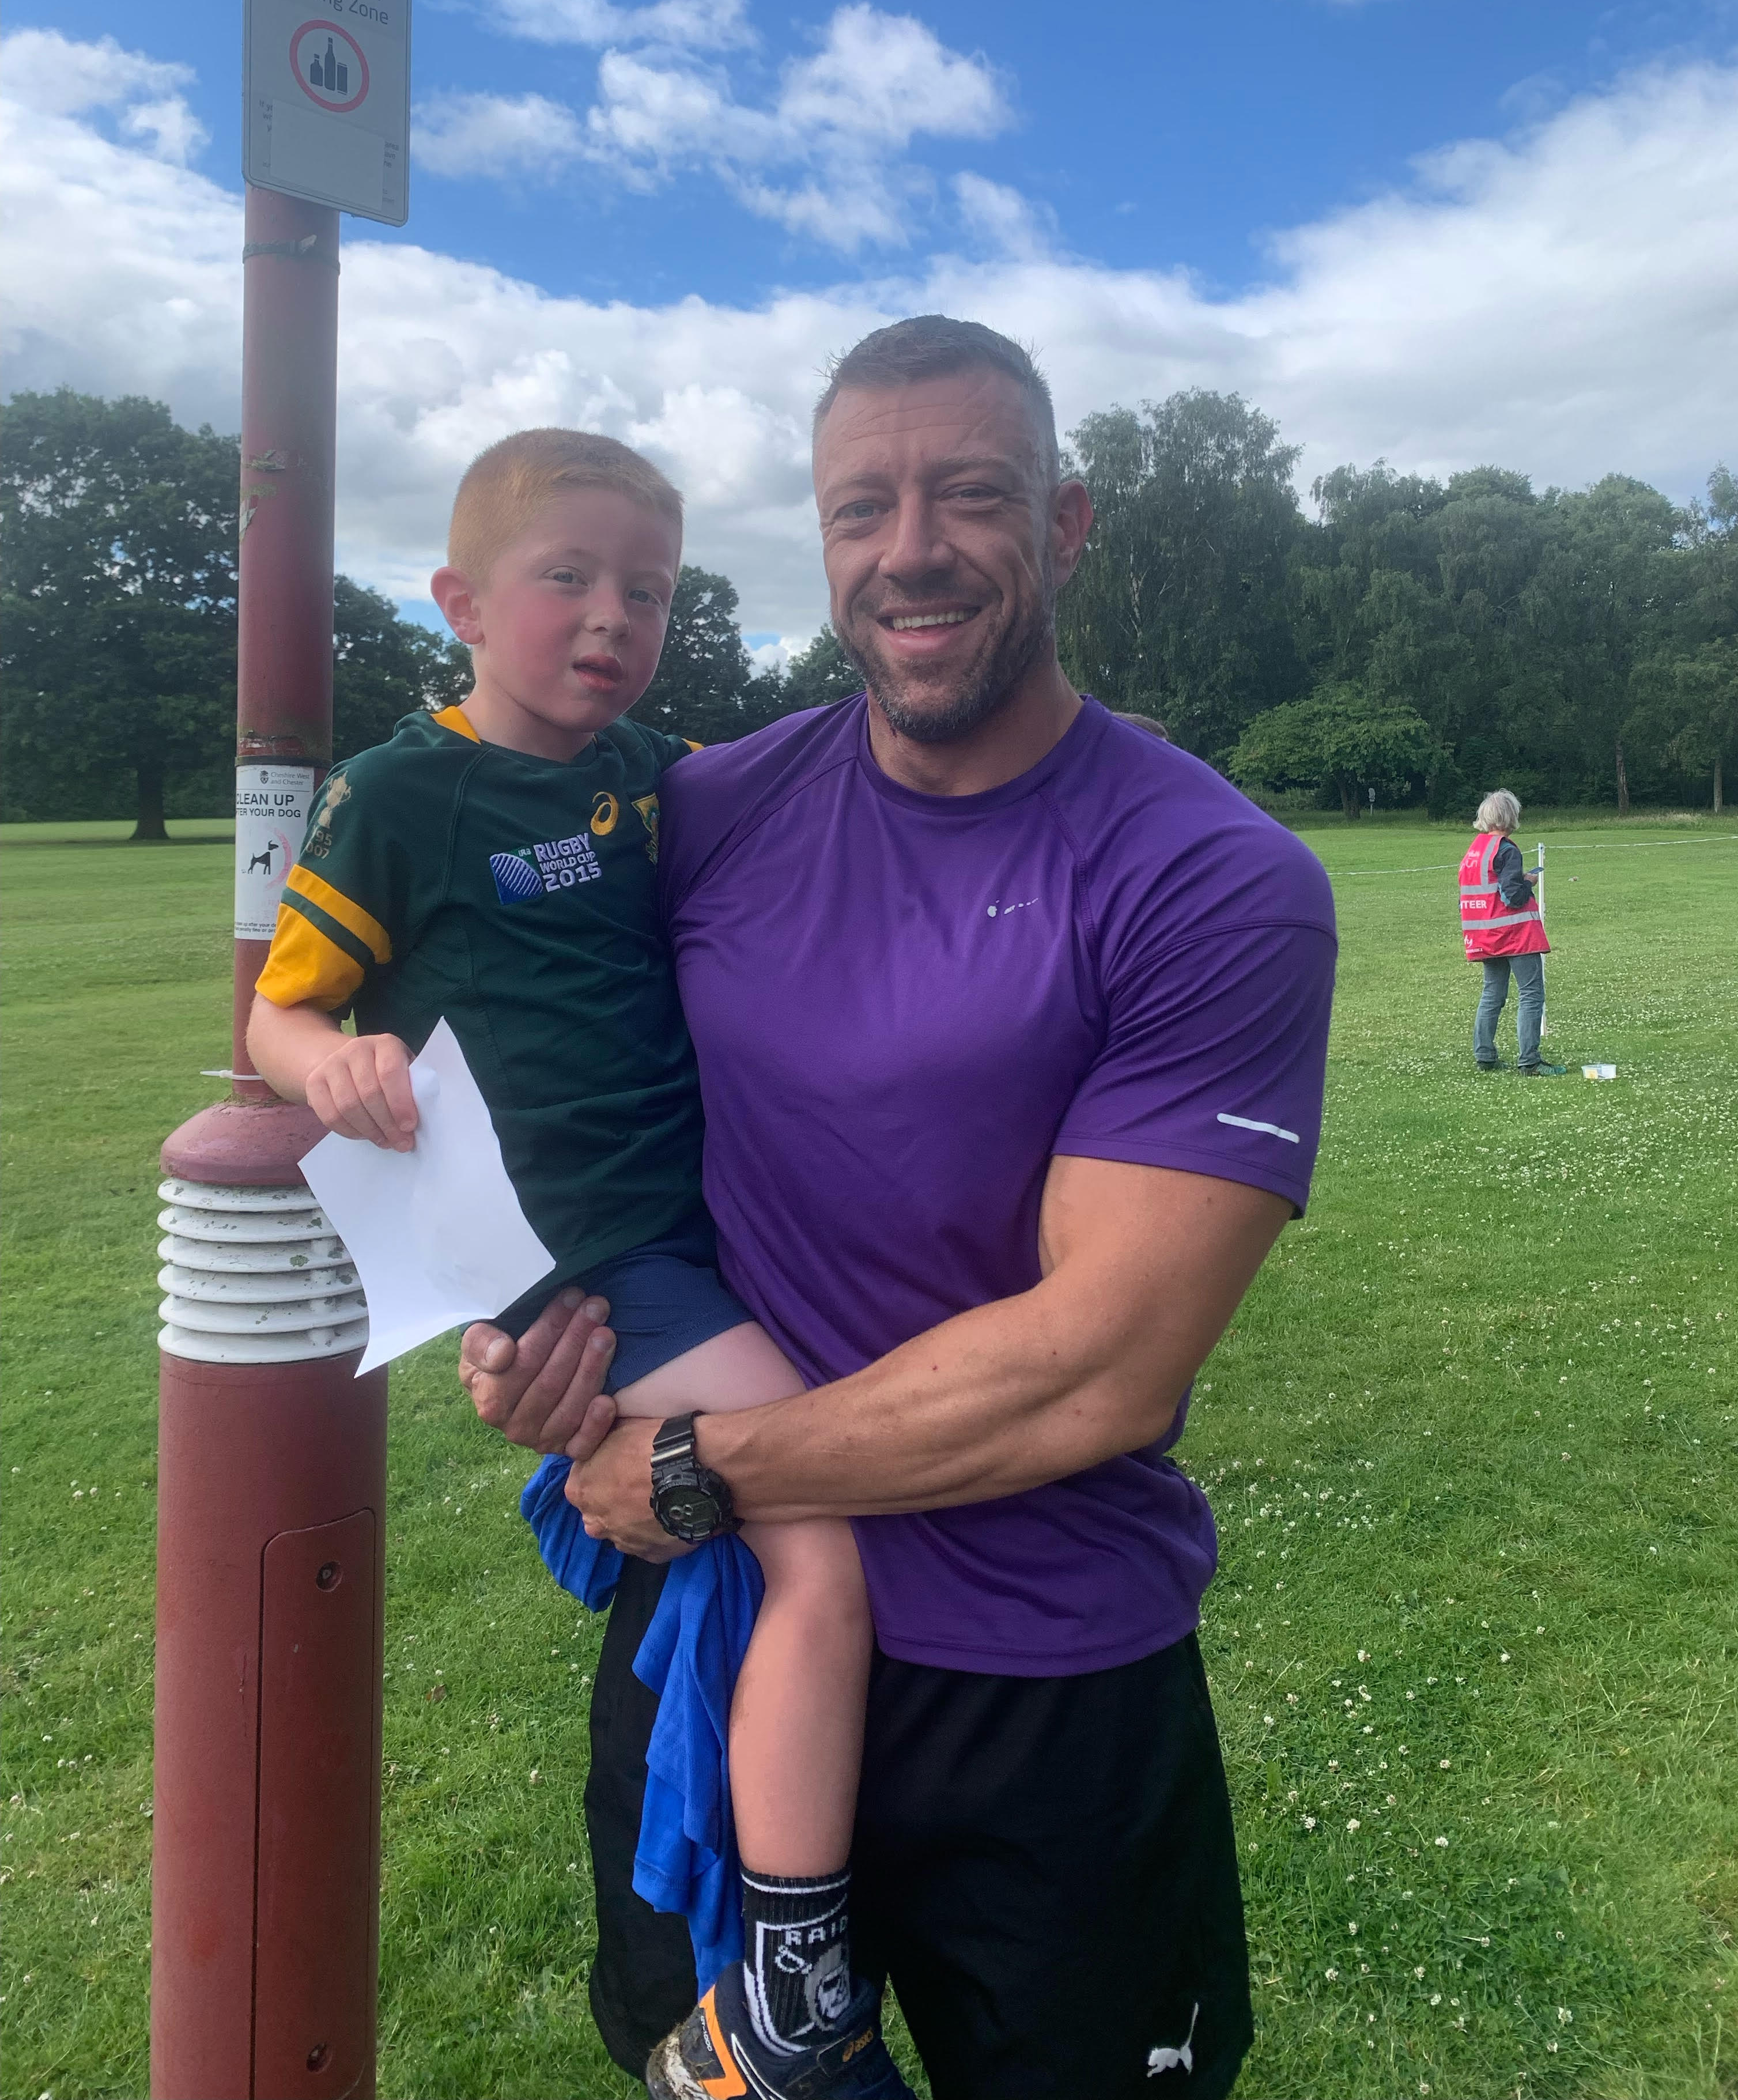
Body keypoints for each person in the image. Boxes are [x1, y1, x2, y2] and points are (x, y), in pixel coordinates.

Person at [461, 318, 1339, 2100]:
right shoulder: (702, 809)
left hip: (1046, 1682)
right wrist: (531, 1331)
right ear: (823, 535)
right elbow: (533, 1071)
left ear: (1069, 522)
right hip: (722, 1638)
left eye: (971, 495)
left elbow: (1096, 1368)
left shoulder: (1212, 878)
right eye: (863, 507)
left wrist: (704, 1467)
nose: (912, 548)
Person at [244, 429, 911, 2099]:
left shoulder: (655, 778)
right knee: (823, 1547)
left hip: (690, 1231)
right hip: (590, 1261)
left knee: (758, 1550)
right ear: (461, 599)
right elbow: (276, 1005)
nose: (614, 620)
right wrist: (322, 1062)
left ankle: (744, 1953)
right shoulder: (407, 792)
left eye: (649, 591)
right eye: (570, 582)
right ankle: (791, 1977)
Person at [1459, 788, 1565, 1075]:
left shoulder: (1475, 851)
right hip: (1514, 934)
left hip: (1484, 934)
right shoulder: (1506, 850)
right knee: (1531, 994)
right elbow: (1512, 896)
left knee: (1492, 993)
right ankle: (1530, 1061)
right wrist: (1527, 881)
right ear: (1510, 816)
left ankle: (1485, 1056)